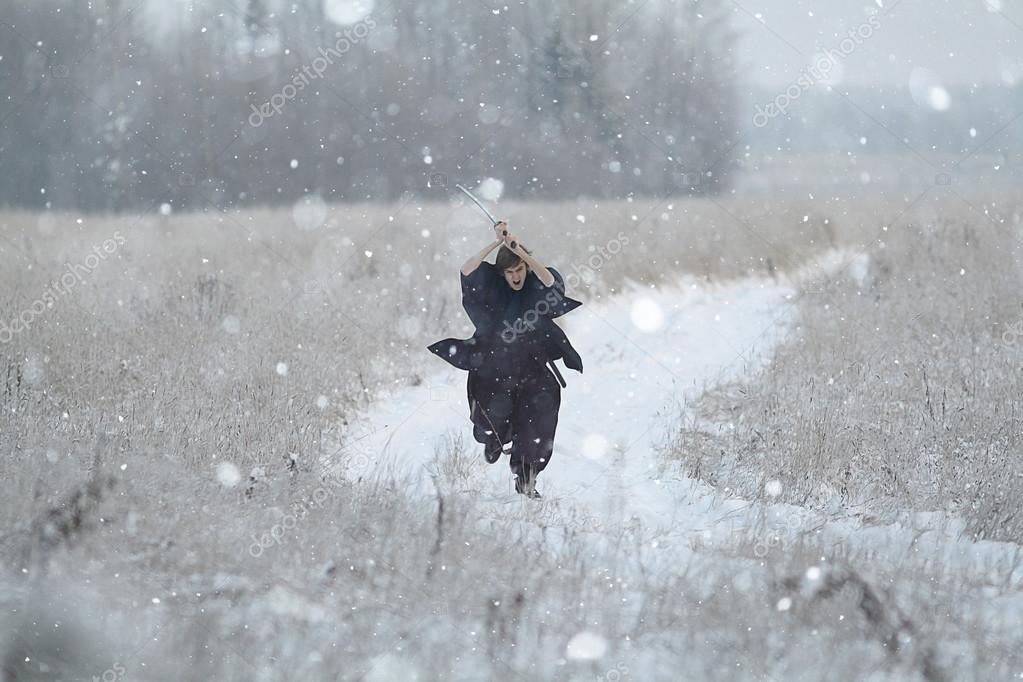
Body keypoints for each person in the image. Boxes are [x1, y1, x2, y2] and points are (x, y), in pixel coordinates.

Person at [427, 221, 583, 499]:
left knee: (539, 420)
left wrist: (520, 250)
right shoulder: (494, 293)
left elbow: (550, 282)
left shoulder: (535, 291)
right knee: (492, 418)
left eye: (519, 269)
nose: (515, 276)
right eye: (509, 272)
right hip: (494, 366)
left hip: (533, 368)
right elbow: (467, 270)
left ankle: (526, 478)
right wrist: (497, 243)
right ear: (502, 275)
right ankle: (494, 440)